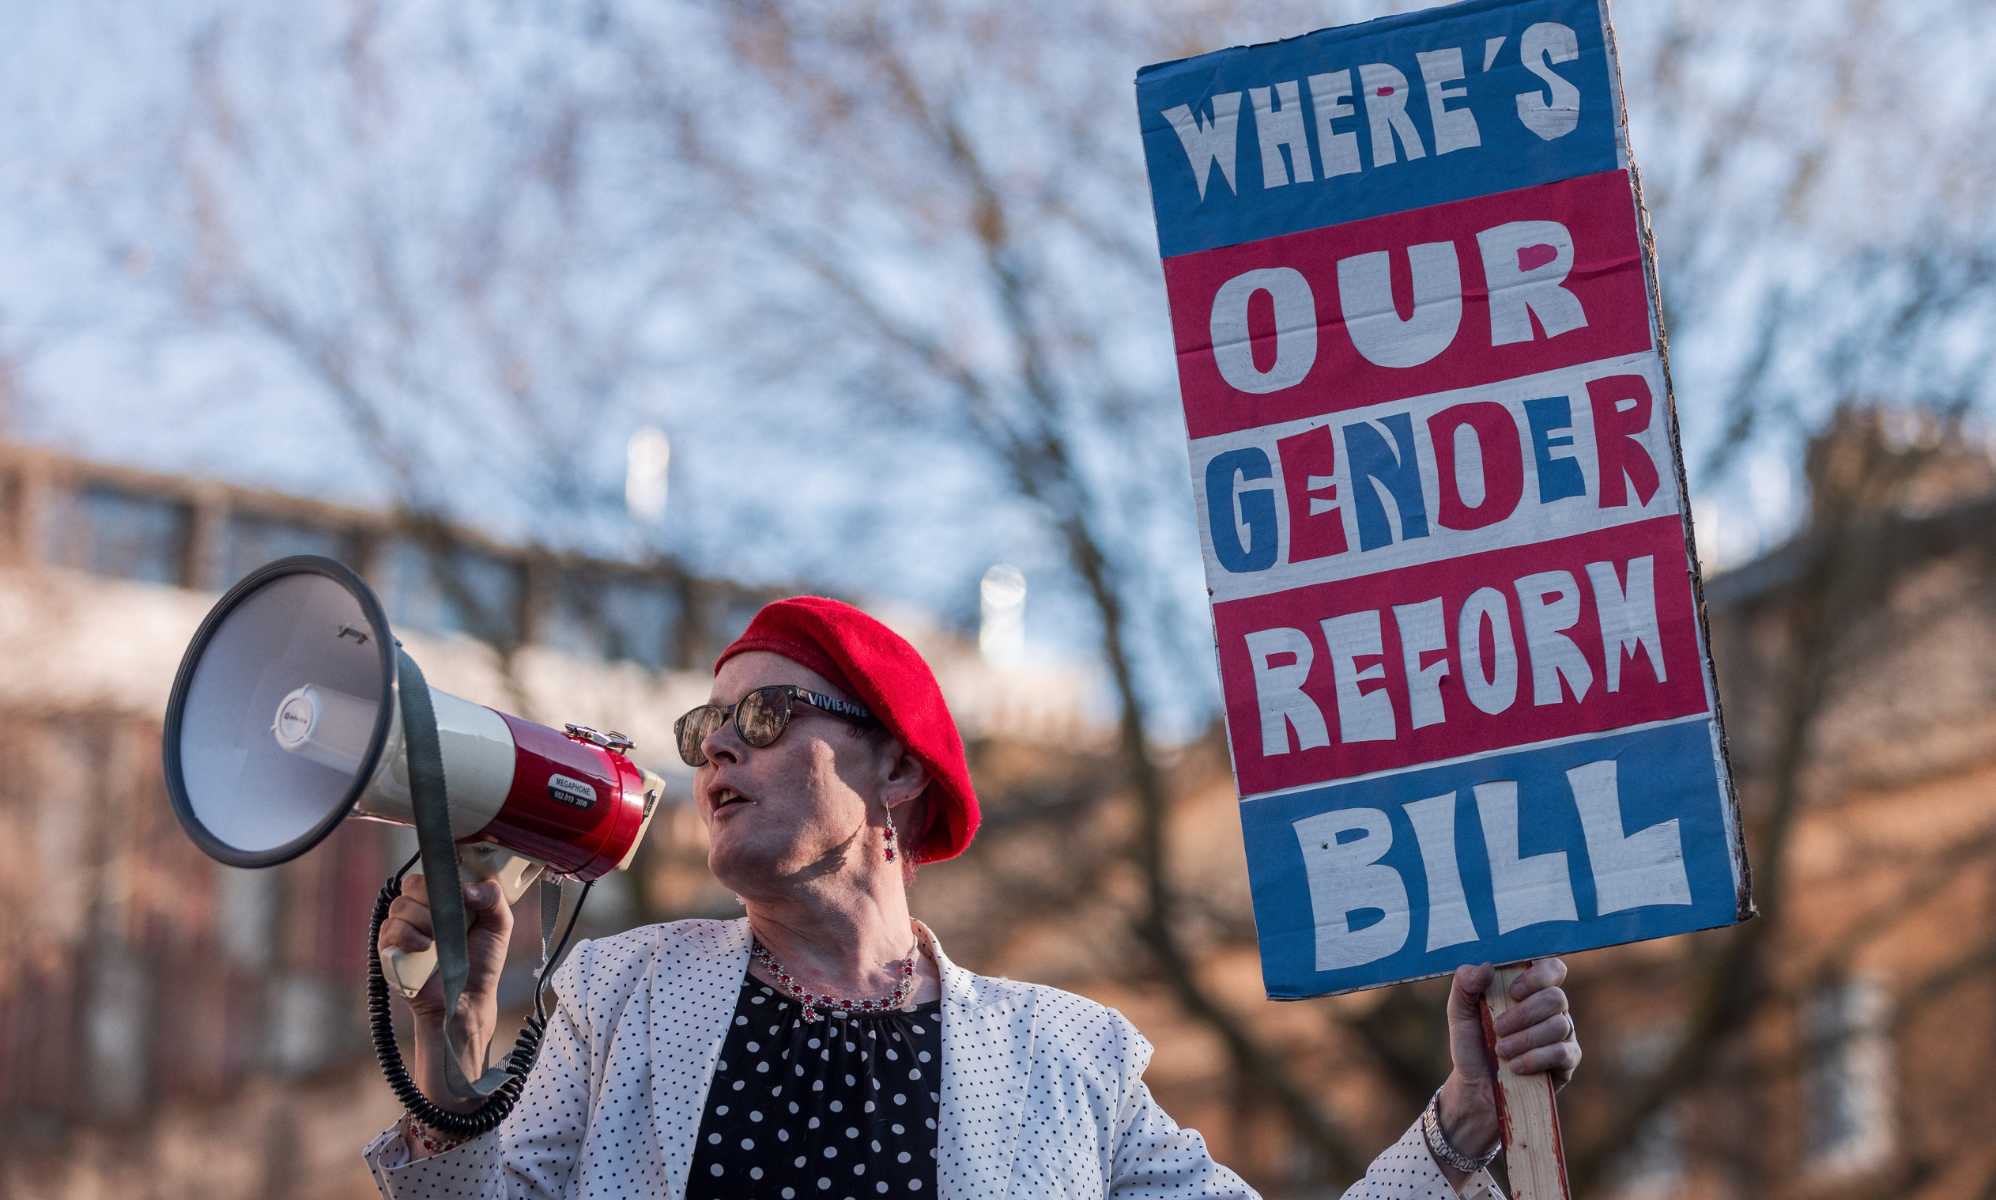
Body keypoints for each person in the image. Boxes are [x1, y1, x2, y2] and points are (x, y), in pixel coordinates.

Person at [363, 596, 1582, 1198]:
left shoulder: (1071, 1061)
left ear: (896, 767)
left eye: (766, 716)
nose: (718, 751)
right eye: (705, 729)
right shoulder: (617, 992)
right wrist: (452, 1056)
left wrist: (1463, 1123)